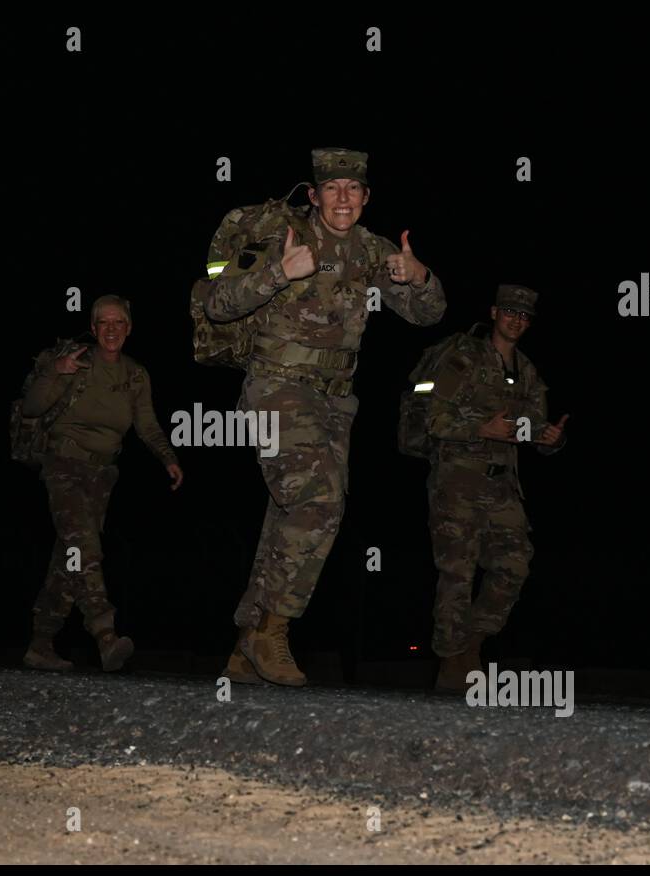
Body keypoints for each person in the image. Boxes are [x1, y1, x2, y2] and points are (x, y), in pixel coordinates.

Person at [202, 148, 447, 687]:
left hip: (337, 403)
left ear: (365, 198)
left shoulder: (373, 251)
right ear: (313, 196)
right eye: (331, 188)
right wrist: (276, 272)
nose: (342, 197)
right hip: (276, 389)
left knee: (286, 517)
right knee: (318, 503)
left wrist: (419, 274)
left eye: (352, 189)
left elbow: (429, 314)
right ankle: (272, 629)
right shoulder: (281, 238)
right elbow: (218, 304)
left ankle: (246, 648)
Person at [22, 294, 184, 673]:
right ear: (93, 329)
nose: (111, 330)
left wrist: (168, 457)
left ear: (129, 329)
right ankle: (105, 634)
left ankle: (40, 642)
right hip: (63, 464)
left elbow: (146, 424)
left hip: (102, 476)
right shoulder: (74, 362)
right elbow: (32, 407)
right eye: (103, 323)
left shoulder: (135, 375)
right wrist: (55, 372)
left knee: (69, 557)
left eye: (119, 323)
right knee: (85, 546)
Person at [423, 284, 567, 691]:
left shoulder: (527, 370)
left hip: (503, 484)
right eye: (509, 312)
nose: (516, 320)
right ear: (493, 313)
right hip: (458, 480)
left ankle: (471, 643)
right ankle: (452, 660)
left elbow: (531, 427)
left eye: (524, 316)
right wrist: (478, 428)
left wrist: (551, 440)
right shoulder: (461, 357)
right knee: (457, 572)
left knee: (514, 564)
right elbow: (433, 419)